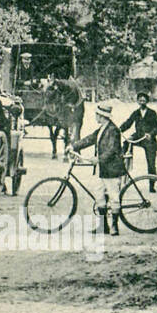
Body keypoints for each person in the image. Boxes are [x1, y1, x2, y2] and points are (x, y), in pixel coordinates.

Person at [68, 100, 128, 235]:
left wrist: (98, 159)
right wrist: (73, 146)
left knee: (113, 197)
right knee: (99, 195)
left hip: (112, 169)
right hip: (102, 169)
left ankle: (114, 226)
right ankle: (103, 227)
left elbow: (112, 150)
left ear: (102, 116)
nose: (95, 117)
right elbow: (90, 139)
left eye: (97, 115)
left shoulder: (113, 130)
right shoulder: (101, 129)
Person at [120, 91, 157, 191]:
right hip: (138, 136)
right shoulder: (136, 113)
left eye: (144, 100)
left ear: (147, 101)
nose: (142, 102)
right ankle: (122, 160)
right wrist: (119, 130)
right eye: (140, 100)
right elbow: (128, 123)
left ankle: (152, 186)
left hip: (148, 139)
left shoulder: (152, 113)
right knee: (126, 142)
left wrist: (151, 134)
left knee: (151, 163)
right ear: (138, 101)